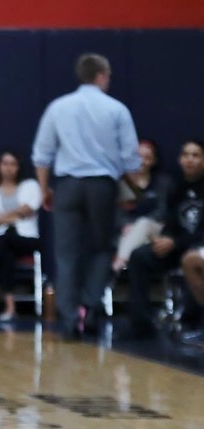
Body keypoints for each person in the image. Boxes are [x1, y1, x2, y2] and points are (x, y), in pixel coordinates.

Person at [32, 52, 141, 340]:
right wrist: (135, 188)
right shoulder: (116, 109)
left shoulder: (59, 107)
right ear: (102, 75)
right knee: (103, 249)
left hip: (67, 184)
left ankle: (69, 321)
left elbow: (42, 155)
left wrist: (44, 189)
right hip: (102, 186)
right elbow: (131, 159)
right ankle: (89, 308)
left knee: (66, 255)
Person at [125, 140, 204, 339]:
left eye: (196, 155)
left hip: (197, 247)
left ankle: (193, 321)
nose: (190, 160)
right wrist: (165, 238)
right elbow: (170, 220)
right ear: (179, 159)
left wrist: (176, 242)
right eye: (186, 155)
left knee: (192, 259)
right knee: (139, 256)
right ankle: (141, 324)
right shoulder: (175, 186)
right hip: (176, 246)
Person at [0, 151, 42, 321]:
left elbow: (30, 208)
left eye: (13, 164)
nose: (9, 168)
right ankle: (10, 308)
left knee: (5, 241)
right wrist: (17, 214)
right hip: (2, 240)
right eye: (5, 163)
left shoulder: (30, 186)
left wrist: (6, 216)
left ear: (18, 167)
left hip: (27, 238)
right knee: (6, 250)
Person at [112, 139, 175, 273]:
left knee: (144, 223)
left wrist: (137, 225)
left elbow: (163, 210)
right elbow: (117, 211)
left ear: (153, 161)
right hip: (127, 232)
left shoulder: (163, 182)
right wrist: (126, 224)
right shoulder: (123, 183)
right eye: (138, 157)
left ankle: (118, 263)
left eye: (147, 158)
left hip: (155, 229)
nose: (142, 161)